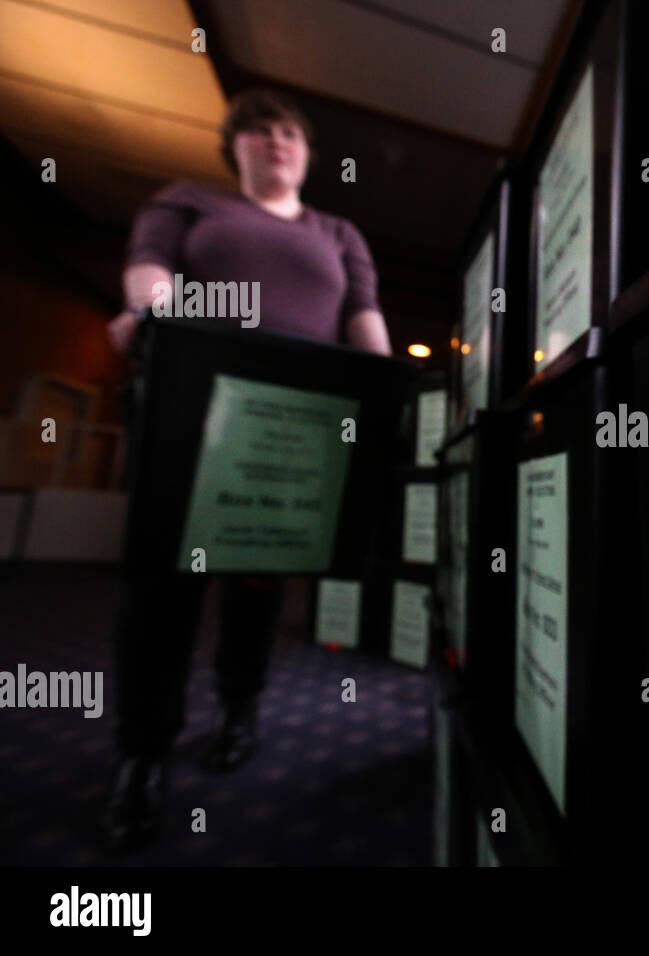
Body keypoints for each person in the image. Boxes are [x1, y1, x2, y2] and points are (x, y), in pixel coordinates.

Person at [102, 89, 391, 851]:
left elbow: (364, 318)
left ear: (308, 152)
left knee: (262, 568)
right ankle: (143, 754)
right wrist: (154, 320)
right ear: (235, 148)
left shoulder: (339, 231)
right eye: (259, 130)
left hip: (296, 422)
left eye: (290, 131)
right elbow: (149, 269)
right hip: (196, 407)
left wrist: (386, 388)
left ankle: (239, 709)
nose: (275, 139)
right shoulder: (190, 201)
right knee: (163, 585)